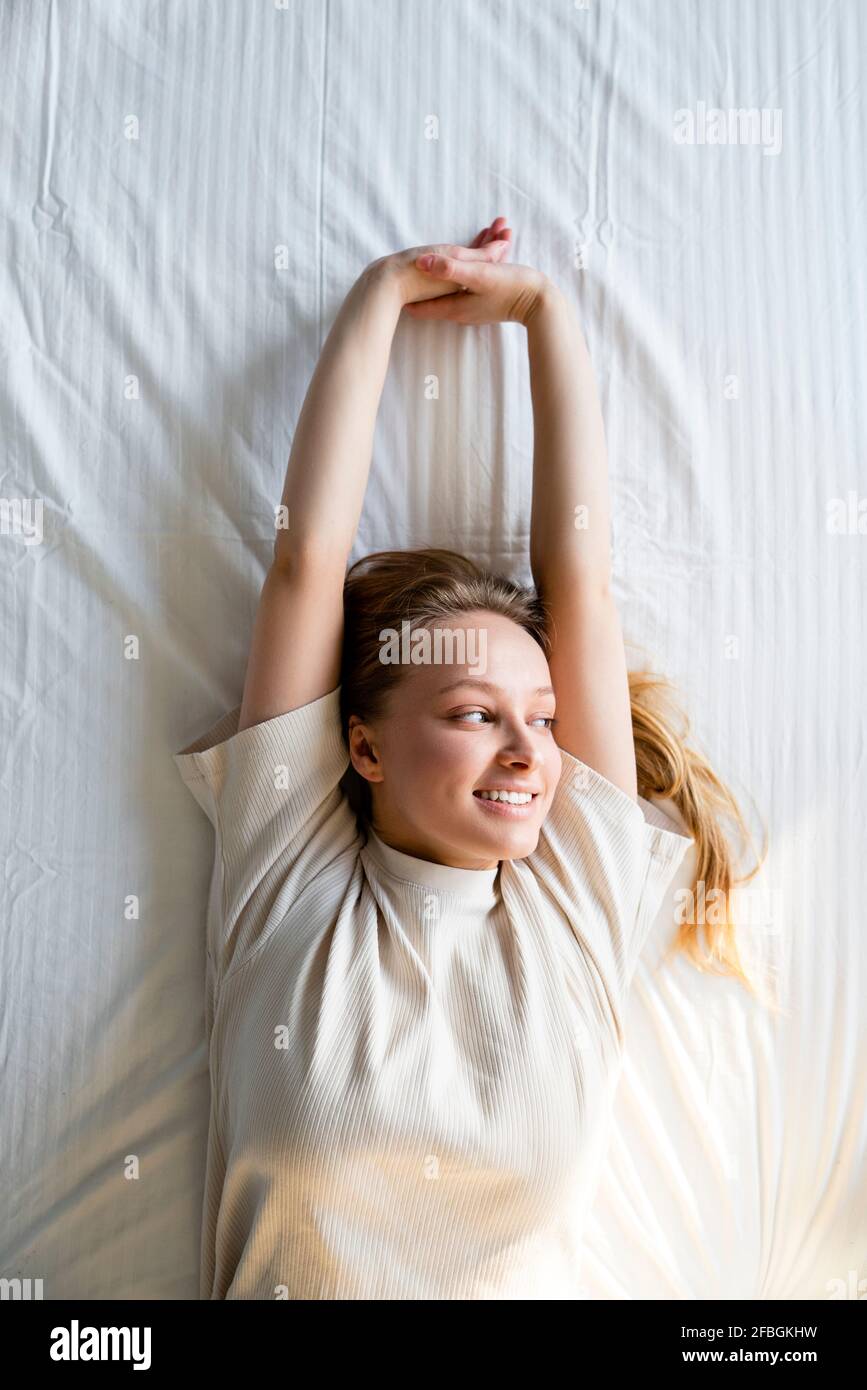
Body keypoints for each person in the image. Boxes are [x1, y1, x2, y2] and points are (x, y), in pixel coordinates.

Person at [174, 217, 763, 1300]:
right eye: (473, 713)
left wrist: (547, 316)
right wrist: (382, 297)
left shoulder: (575, 902)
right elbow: (307, 563)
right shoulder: (287, 885)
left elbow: (580, 578)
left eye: (540, 718)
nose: (528, 751)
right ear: (364, 746)